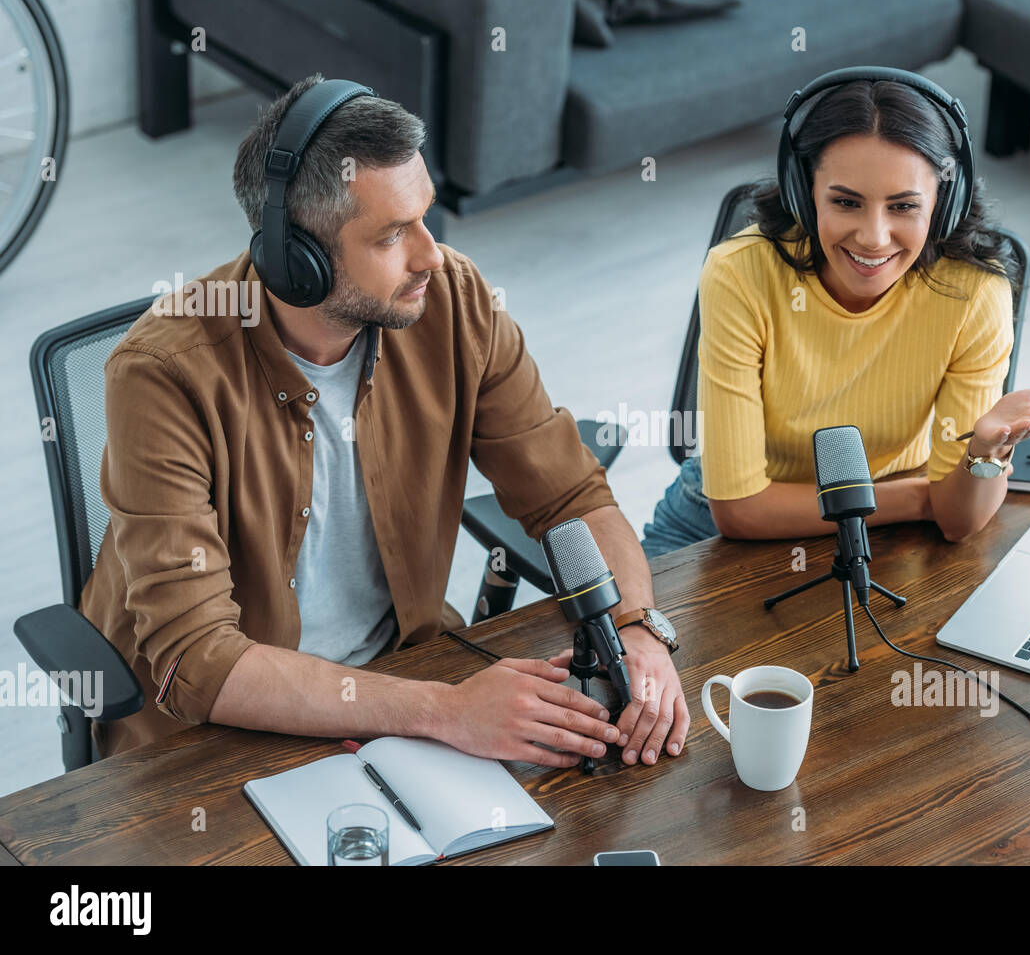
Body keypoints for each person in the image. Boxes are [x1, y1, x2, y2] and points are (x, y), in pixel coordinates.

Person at [80, 75, 687, 769]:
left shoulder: (454, 299)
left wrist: (637, 629)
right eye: (393, 235)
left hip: (405, 677)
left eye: (426, 217)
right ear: (296, 262)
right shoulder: (163, 372)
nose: (431, 254)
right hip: (217, 735)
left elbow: (570, 497)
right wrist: (446, 711)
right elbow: (199, 657)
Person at [642, 69, 1030, 557]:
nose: (873, 237)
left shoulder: (974, 291)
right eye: (846, 201)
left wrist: (983, 456)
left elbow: (958, 521)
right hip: (721, 528)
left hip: (888, 527)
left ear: (944, 205)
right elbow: (740, 510)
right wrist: (920, 497)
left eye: (904, 206)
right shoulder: (740, 274)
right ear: (804, 191)